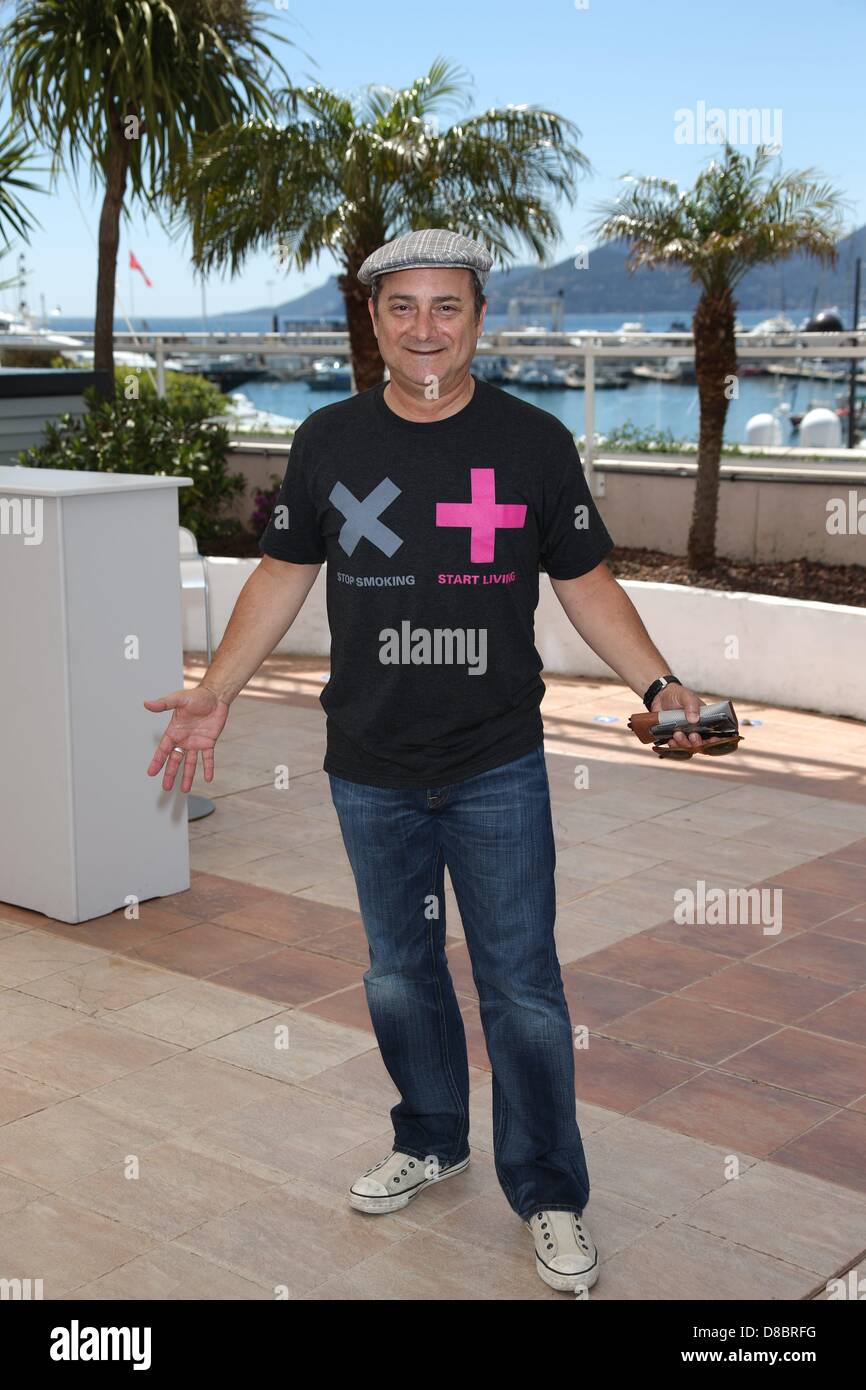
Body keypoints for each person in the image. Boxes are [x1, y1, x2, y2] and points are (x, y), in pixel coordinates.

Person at [145, 228, 710, 1297]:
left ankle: (547, 1191)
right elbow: (280, 575)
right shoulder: (325, 442)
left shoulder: (533, 443)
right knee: (400, 976)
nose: (423, 328)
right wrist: (213, 689)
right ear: (372, 321)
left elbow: (584, 580)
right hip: (368, 761)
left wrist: (658, 684)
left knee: (521, 989)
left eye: (444, 306)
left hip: (494, 757)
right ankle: (431, 1134)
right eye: (400, 306)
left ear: (479, 318)